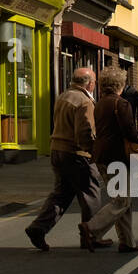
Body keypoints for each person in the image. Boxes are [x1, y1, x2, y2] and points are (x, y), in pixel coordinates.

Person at [25, 68, 97, 252]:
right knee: (91, 193)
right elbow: (85, 133)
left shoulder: (64, 96)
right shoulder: (84, 101)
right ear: (89, 83)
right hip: (76, 154)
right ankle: (92, 235)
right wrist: (93, 152)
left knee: (62, 194)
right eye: (94, 82)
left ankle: (38, 228)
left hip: (57, 150)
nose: (94, 85)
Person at [86, 66, 138, 253]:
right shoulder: (121, 104)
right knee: (122, 200)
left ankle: (128, 242)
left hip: (102, 156)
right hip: (117, 156)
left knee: (123, 198)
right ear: (120, 84)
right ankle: (92, 228)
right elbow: (129, 130)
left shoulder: (100, 103)